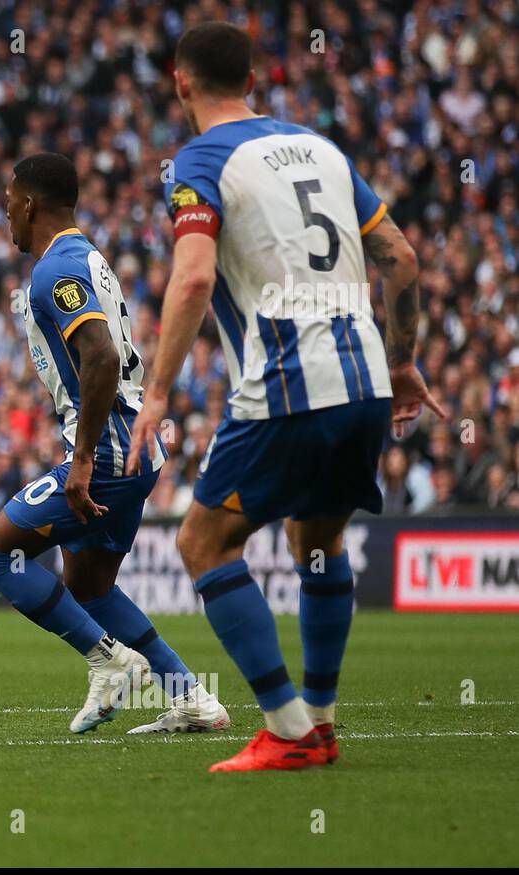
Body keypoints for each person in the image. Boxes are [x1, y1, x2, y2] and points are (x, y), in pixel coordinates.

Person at [128, 22, 445, 771]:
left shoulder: (200, 159)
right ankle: (321, 720)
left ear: (181, 82)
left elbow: (195, 275)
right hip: (363, 376)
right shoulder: (323, 150)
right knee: (316, 542)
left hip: (286, 381)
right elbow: (399, 254)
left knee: (203, 543)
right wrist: (401, 362)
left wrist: (158, 393)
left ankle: (289, 728)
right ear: (254, 77)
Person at [0, 152, 228, 735]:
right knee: (90, 585)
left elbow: (102, 354)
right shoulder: (87, 256)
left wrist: (83, 459)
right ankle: (191, 698)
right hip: (136, 445)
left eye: (10, 202)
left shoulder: (55, 268)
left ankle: (108, 660)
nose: (7, 214)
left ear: (29, 203)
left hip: (108, 450)